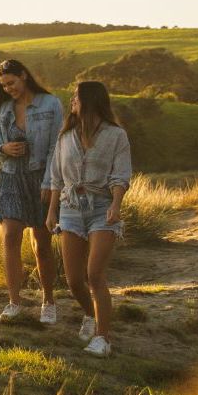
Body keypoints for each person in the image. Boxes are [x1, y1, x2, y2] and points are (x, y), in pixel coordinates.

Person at [42, 80, 132, 357]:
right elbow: (56, 178)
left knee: (94, 274)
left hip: (102, 208)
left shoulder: (116, 135)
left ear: (91, 102)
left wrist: (116, 206)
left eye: (77, 99)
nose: (72, 103)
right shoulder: (64, 137)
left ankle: (103, 339)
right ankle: (90, 315)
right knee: (73, 280)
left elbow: (121, 176)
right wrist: (51, 211)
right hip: (70, 209)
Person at [0, 58, 64, 324]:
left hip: (41, 178)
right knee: (10, 237)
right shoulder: (4, 110)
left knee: (41, 243)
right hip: (11, 178)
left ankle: (48, 301)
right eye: (3, 86)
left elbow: (57, 148)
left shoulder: (51, 104)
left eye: (11, 83)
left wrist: (50, 183)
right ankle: (14, 301)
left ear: (24, 75)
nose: (8, 89)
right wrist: (4, 150)